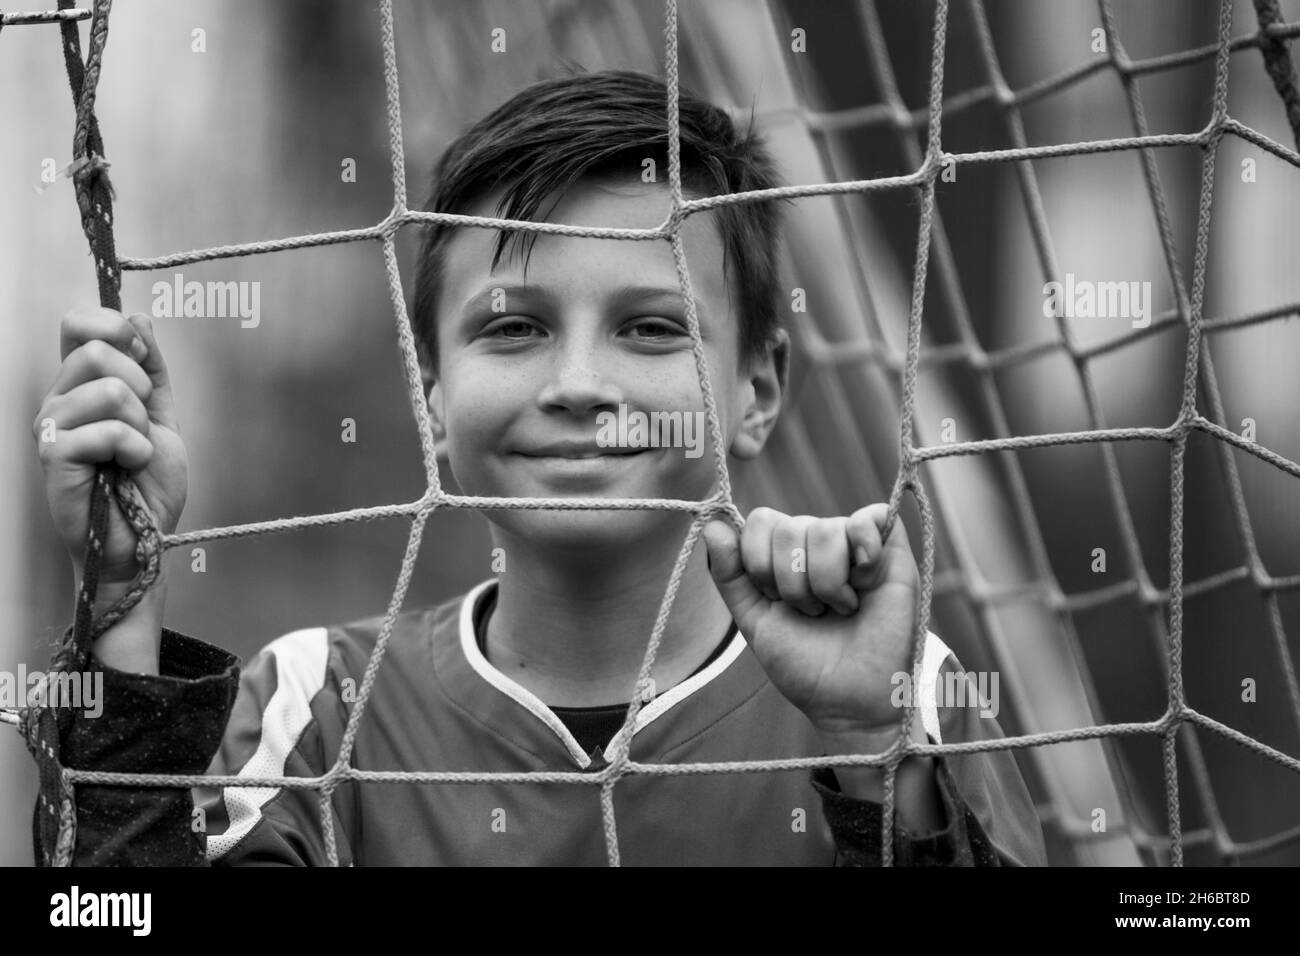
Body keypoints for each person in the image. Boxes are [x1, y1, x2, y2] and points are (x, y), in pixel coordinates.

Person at [32, 69, 1045, 866]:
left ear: (760, 388)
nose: (576, 382)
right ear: (432, 391)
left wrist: (871, 754)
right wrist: (121, 608)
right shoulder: (316, 704)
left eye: (652, 330)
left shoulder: (903, 690)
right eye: (512, 329)